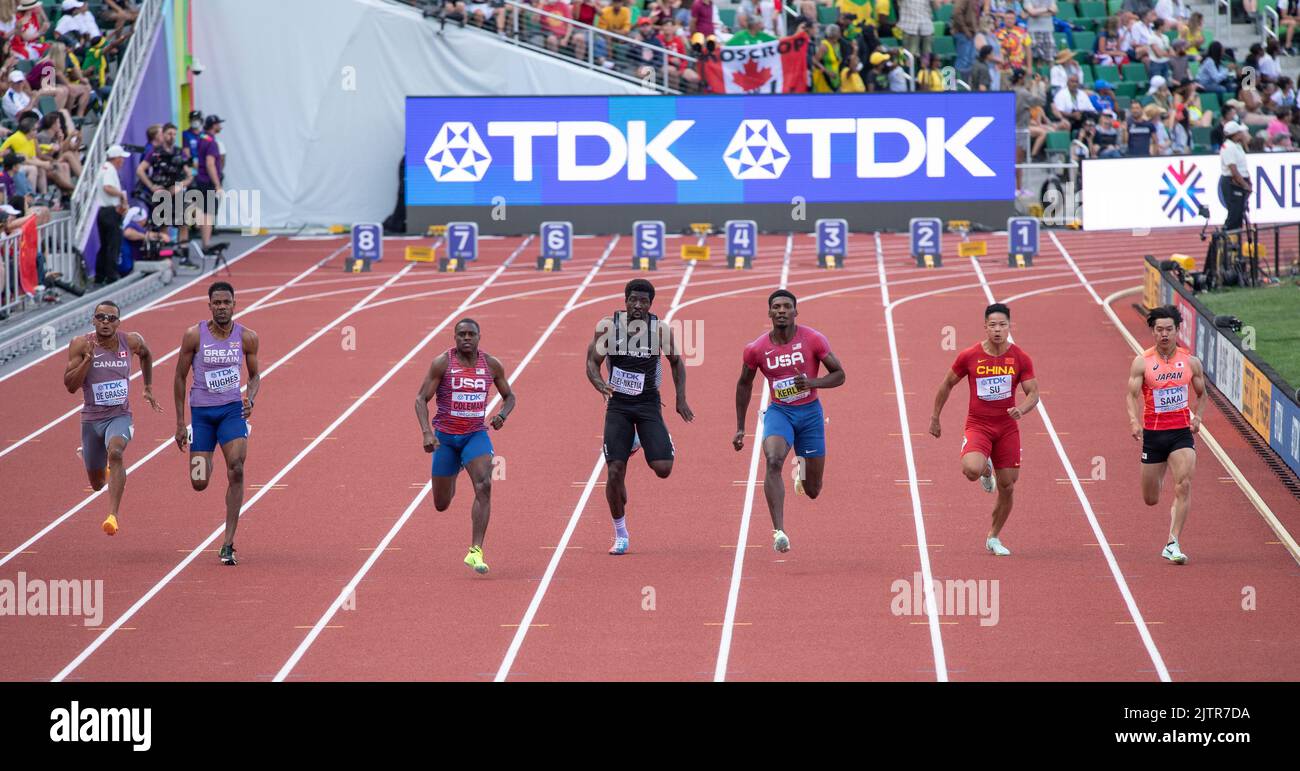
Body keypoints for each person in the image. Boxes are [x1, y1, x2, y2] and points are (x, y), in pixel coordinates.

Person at [585, 278, 693, 555]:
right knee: (614, 472)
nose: (637, 305)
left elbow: (677, 363)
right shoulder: (607, 327)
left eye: (643, 301)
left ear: (650, 304)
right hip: (618, 405)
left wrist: (680, 398)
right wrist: (598, 383)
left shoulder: (659, 330)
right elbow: (592, 362)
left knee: (663, 469)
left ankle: (653, 440)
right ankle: (621, 533)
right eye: (632, 300)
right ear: (625, 301)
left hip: (647, 404)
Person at [733, 290, 845, 553]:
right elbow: (743, 385)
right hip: (780, 412)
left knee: (813, 490)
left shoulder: (813, 339)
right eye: (776, 307)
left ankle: (802, 473)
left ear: (795, 312)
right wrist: (740, 427)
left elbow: (840, 375)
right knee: (772, 460)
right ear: (769, 313)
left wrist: (812, 382)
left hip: (810, 415)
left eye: (786, 307)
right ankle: (779, 531)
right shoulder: (756, 349)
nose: (781, 311)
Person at [928, 303, 1040, 556]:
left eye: (1002, 325)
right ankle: (985, 469)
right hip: (979, 424)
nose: (998, 330)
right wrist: (935, 417)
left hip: (1007, 428)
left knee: (1008, 486)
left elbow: (1033, 392)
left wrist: (1021, 409)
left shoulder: (1020, 357)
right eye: (993, 325)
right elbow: (946, 384)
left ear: (1010, 327)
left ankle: (993, 536)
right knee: (971, 469)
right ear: (985, 327)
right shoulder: (970, 356)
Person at [414, 319, 515, 574]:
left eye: (471, 334)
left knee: (484, 484)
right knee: (441, 503)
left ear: (479, 336)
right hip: (445, 439)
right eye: (461, 334)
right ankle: (455, 468)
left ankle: (475, 550)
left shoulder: (491, 365)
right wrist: (427, 433)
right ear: (455, 337)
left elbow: (510, 396)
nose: (466, 338)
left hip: (475, 435)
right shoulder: (442, 363)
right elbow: (420, 399)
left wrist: (502, 415)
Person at [173, 281, 260, 566]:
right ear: (209, 305)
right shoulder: (193, 336)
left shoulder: (247, 337)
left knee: (236, 468)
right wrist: (179, 422)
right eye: (217, 303)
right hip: (202, 414)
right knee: (199, 482)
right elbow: (179, 377)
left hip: (232, 411)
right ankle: (201, 446)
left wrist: (251, 399)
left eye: (227, 302)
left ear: (235, 304)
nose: (222, 307)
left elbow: (255, 376)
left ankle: (228, 543)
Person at [64, 300, 161, 536]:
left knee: (116, 452)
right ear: (93, 320)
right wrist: (88, 360)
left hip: (119, 415)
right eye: (101, 317)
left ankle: (112, 516)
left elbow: (147, 354)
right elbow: (70, 386)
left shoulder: (131, 341)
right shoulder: (81, 344)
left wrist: (147, 386)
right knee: (97, 485)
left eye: (111, 318)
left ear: (118, 322)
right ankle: (92, 456)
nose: (105, 322)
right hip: (91, 419)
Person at [1125, 305, 1206, 563]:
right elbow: (1131, 395)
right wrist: (1134, 421)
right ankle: (1158, 476)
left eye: (1169, 329)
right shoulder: (1143, 362)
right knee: (1151, 498)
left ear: (1177, 330)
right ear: (1152, 331)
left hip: (1181, 433)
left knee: (1183, 485)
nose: (1164, 335)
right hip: (1154, 434)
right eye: (1159, 330)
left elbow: (1203, 394)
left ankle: (1173, 542)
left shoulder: (1191, 362)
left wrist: (1199, 416)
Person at [93, 144, 129, 285]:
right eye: (121, 158)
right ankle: (111, 275)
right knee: (113, 244)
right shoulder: (110, 170)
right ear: (117, 158)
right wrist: (121, 194)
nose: (123, 161)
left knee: (105, 244)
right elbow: (107, 187)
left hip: (103, 211)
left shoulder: (104, 168)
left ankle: (100, 275)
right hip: (110, 211)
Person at [1219, 120, 1251, 232]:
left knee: (1239, 214)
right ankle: (1224, 240)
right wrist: (1244, 184)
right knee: (1234, 213)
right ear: (1235, 134)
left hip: (1238, 181)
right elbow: (1233, 169)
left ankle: (1234, 242)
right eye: (1240, 132)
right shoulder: (1228, 147)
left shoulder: (1236, 145)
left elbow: (1242, 166)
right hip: (1232, 182)